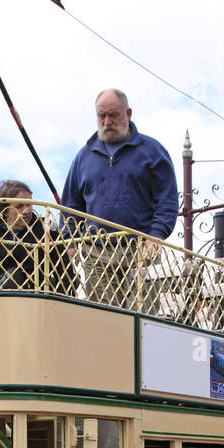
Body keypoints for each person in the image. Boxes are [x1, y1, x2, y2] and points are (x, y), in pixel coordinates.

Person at [61, 89, 179, 303]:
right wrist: (70, 241)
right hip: (97, 252)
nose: (107, 121)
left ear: (128, 113)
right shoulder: (83, 157)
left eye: (113, 115)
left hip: (142, 249)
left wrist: (156, 235)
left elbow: (167, 199)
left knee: (144, 314)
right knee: (103, 316)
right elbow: (70, 204)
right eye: (101, 116)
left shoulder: (153, 152)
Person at [0, 181, 74, 294]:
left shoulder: (48, 226)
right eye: (19, 206)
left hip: (34, 293)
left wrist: (62, 296)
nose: (27, 210)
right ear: (5, 211)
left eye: (29, 204)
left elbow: (64, 268)